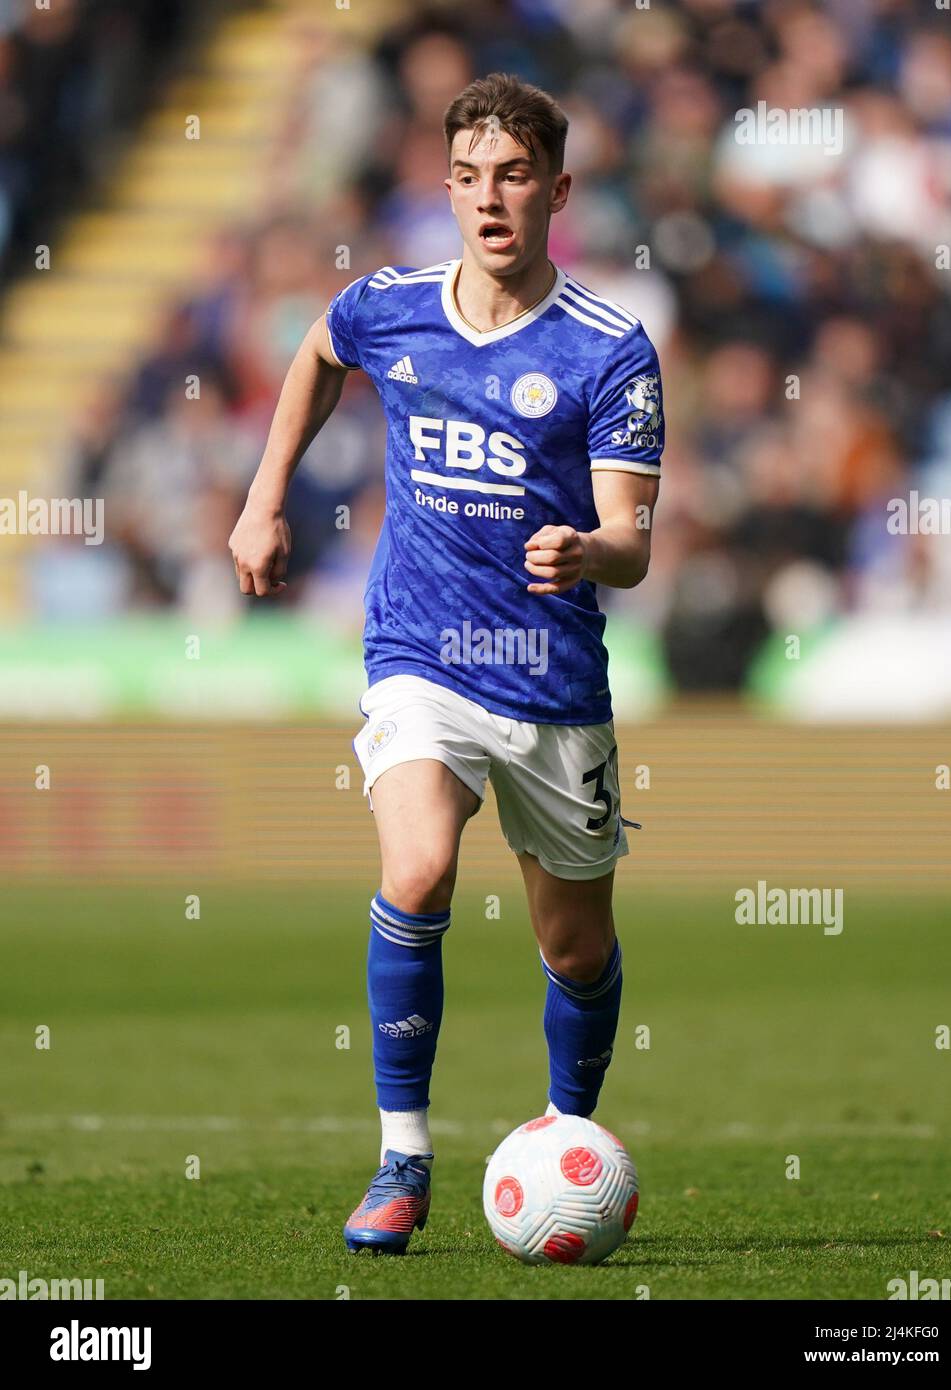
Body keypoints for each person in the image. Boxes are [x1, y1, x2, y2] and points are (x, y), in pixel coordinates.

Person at [228, 72, 664, 1256]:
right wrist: (263, 500)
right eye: (469, 176)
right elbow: (319, 353)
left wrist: (587, 548)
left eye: (514, 175)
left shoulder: (610, 350)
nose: (489, 198)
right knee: (416, 871)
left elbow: (631, 539)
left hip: (550, 675)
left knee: (573, 946)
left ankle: (566, 1137)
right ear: (446, 186)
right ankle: (400, 1159)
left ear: (557, 191)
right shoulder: (393, 305)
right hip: (418, 649)